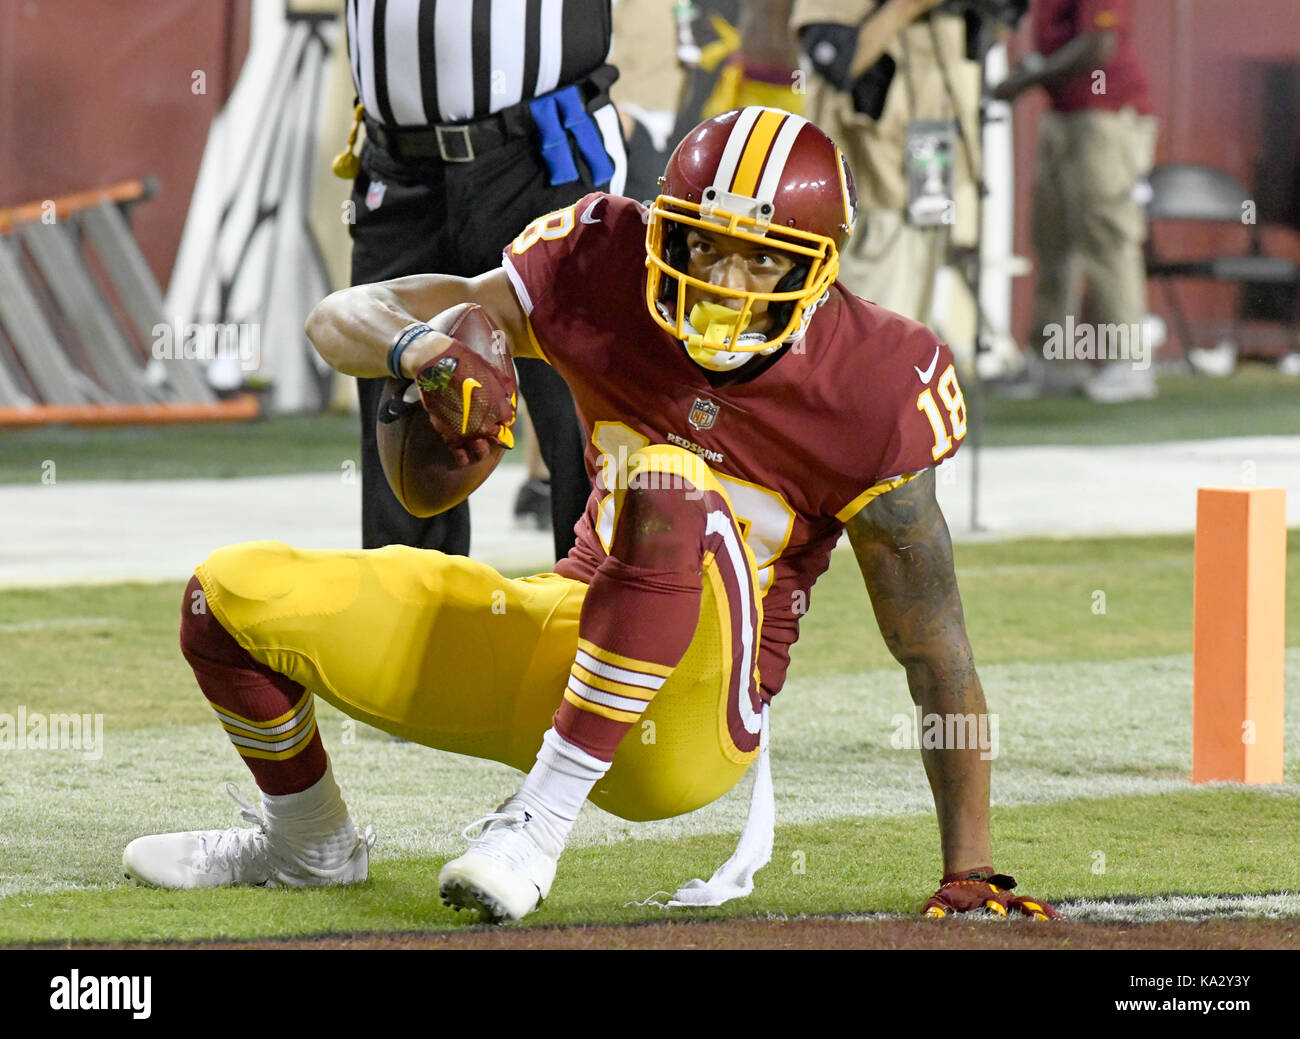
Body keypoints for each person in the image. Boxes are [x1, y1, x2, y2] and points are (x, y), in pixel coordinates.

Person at [123, 107, 1057, 925]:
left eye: (763, 255)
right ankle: (309, 844)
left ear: (816, 270)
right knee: (229, 595)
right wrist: (422, 353)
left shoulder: (875, 380)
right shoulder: (600, 257)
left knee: (663, 479)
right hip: (572, 627)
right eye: (703, 241)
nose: (725, 276)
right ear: (665, 229)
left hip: (689, 725)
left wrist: (969, 871)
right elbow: (341, 315)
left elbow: (937, 651)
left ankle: (538, 825)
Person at [339, 0, 625, 560]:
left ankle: (603, 639)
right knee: (403, 425)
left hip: (543, 153)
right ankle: (417, 635)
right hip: (396, 166)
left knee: (588, 427)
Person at [993, 0, 1159, 403]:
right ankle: (1052, 360)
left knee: (1107, 238)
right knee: (1053, 241)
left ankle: (1130, 363)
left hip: (1106, 114)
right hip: (1064, 113)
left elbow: (1098, 44)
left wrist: (1031, 76)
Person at [791, 0, 981, 327]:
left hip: (929, 167)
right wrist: (907, 7)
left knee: (910, 326)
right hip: (871, 180)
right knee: (867, 323)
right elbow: (836, 61)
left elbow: (983, 39)